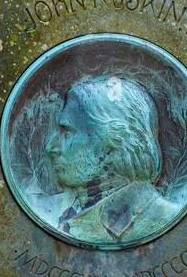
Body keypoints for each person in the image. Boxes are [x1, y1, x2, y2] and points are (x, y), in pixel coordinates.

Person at [43, 74, 178, 245]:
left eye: (66, 131)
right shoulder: (57, 212)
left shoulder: (164, 218)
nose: (50, 147)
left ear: (112, 141)